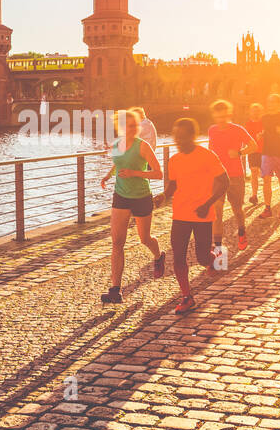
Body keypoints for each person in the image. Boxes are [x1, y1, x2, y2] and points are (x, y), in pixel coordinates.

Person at [98, 110, 166, 303]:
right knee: (117, 242)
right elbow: (118, 163)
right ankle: (115, 290)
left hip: (141, 196)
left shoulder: (143, 146)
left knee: (145, 239)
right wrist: (108, 175)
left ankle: (159, 255)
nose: (133, 129)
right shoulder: (116, 144)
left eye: (134, 125)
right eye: (128, 126)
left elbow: (158, 173)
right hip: (120, 196)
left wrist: (135, 173)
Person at [163, 118, 229, 314]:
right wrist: (163, 196)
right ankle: (187, 297)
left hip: (203, 214)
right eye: (176, 137)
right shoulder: (173, 160)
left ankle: (216, 255)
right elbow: (174, 184)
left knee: (201, 258)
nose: (178, 141)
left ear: (192, 136)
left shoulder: (207, 156)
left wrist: (207, 204)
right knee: (178, 257)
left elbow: (224, 182)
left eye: (182, 137)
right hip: (180, 215)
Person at [207, 100, 256, 253]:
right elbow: (210, 148)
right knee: (217, 210)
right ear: (214, 116)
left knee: (237, 209)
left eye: (223, 116)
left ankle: (241, 231)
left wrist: (239, 153)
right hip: (217, 176)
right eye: (218, 117)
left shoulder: (238, 129)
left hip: (235, 176)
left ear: (229, 114)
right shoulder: (212, 130)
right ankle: (218, 247)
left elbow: (254, 146)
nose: (221, 120)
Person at [258, 93, 280, 222]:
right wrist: (262, 135)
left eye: (273, 102)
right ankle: (267, 208)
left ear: (279, 103)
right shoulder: (265, 117)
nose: (270, 104)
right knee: (266, 179)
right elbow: (267, 130)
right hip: (267, 152)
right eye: (269, 102)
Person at [244, 102, 265, 206]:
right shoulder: (248, 124)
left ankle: (266, 194)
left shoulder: (264, 123)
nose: (256, 113)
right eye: (254, 111)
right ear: (250, 112)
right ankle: (254, 195)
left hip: (264, 151)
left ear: (261, 112)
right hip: (253, 151)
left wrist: (263, 136)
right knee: (254, 172)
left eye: (258, 111)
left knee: (265, 175)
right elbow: (245, 138)